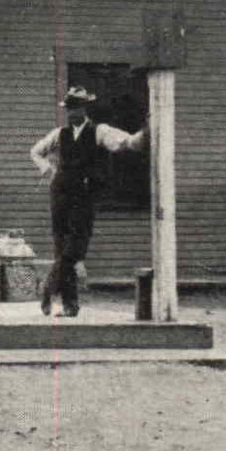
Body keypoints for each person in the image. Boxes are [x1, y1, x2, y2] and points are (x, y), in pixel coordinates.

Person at [29, 86, 147, 317]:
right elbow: (35, 151)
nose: (74, 112)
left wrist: (146, 132)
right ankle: (70, 304)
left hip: (84, 195)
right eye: (71, 107)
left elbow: (126, 143)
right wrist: (48, 169)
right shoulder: (59, 133)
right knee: (62, 248)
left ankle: (48, 287)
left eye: (79, 107)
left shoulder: (99, 131)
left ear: (86, 108)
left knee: (76, 248)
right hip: (60, 193)